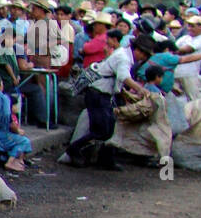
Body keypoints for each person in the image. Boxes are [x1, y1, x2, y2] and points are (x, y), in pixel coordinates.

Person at [63, 30, 150, 170]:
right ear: (138, 50)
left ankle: (105, 159)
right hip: (98, 93)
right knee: (101, 130)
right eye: (144, 54)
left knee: (110, 128)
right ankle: (74, 149)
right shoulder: (124, 58)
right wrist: (141, 89)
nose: (143, 58)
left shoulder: (123, 53)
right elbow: (123, 77)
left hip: (103, 93)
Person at [176, 14, 201, 99]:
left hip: (190, 73)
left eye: (192, 26)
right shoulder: (185, 38)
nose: (189, 28)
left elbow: (187, 49)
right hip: (177, 72)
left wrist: (175, 51)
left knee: (193, 100)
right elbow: (174, 48)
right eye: (188, 26)